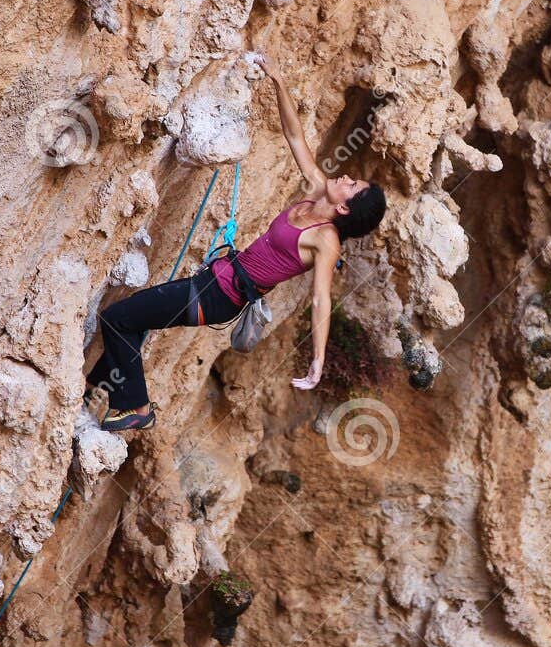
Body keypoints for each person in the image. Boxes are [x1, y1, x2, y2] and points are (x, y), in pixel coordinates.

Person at [85, 54, 387, 431]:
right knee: (134, 316)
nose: (345, 176)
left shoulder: (325, 240)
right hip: (216, 278)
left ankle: (137, 409)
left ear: (344, 208)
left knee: (118, 318)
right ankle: (94, 386)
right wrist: (277, 80)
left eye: (352, 185)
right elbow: (295, 136)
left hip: (219, 296)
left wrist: (318, 358)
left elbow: (320, 297)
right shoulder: (314, 191)